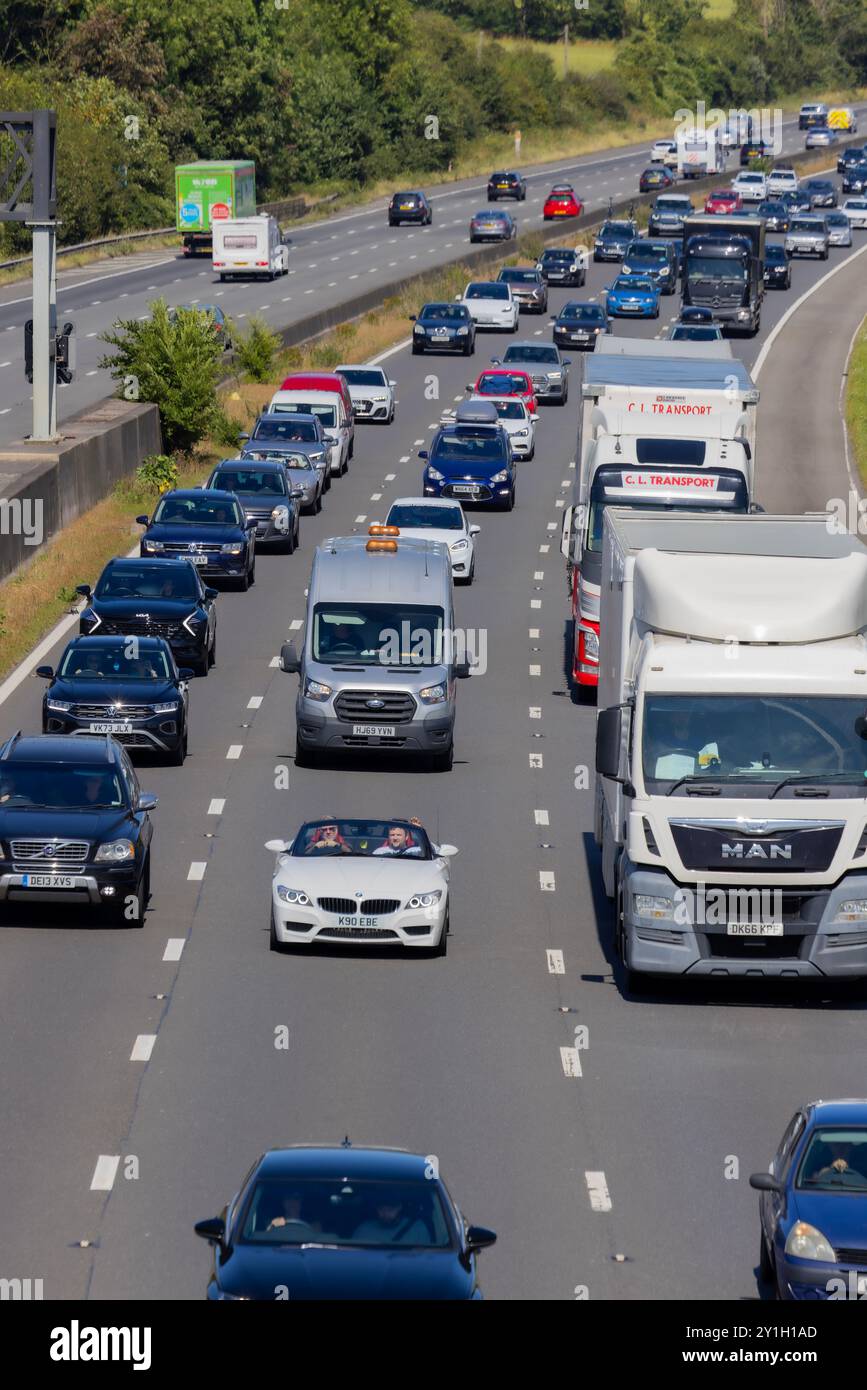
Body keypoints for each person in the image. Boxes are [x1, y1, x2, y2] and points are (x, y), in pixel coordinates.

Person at [352, 1198, 428, 1246]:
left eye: (390, 1210)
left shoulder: (418, 1228)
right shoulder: (364, 1229)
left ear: (399, 1207)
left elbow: (426, 1255)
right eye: (381, 1209)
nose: (385, 1214)